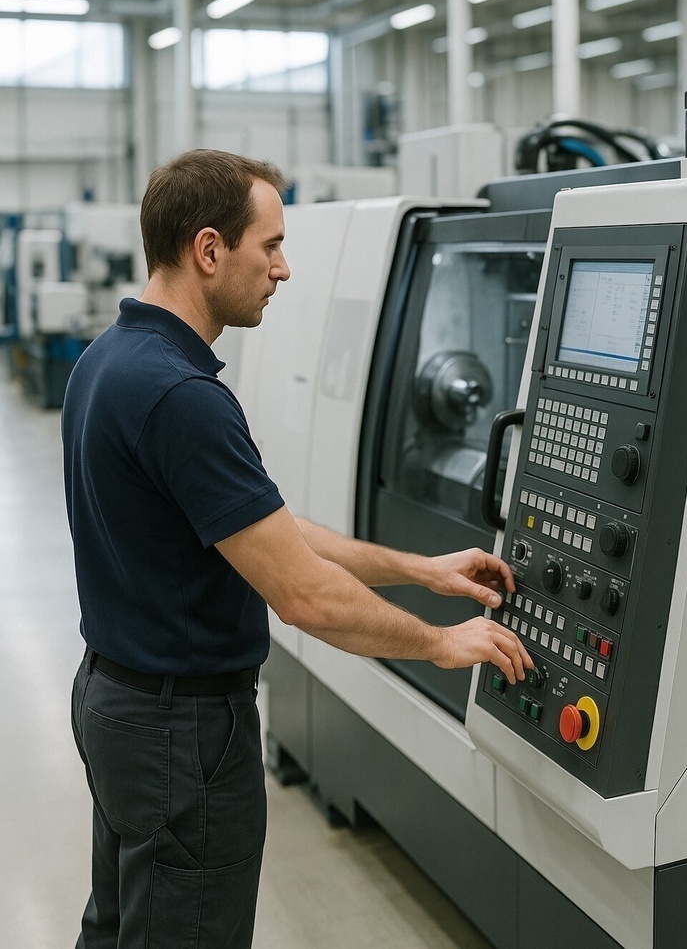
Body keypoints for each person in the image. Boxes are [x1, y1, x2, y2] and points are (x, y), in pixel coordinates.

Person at [62, 149, 532, 949]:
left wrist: (420, 569)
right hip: (183, 736)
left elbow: (263, 530)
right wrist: (439, 643)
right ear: (209, 250)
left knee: (118, 931)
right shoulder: (183, 397)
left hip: (120, 705)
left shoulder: (110, 361)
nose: (283, 269)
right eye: (269, 246)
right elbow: (301, 594)